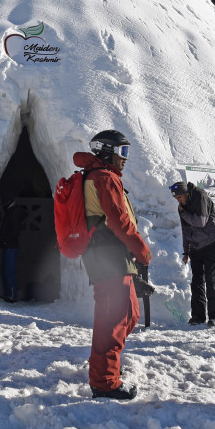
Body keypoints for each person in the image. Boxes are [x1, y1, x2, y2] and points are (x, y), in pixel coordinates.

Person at [73, 129, 152, 401]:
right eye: (122, 152)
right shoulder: (104, 178)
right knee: (114, 319)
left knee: (127, 316)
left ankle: (105, 365)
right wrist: (142, 251)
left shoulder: (100, 176)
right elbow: (120, 222)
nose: (125, 159)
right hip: (109, 258)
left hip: (113, 258)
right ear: (107, 151)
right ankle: (105, 383)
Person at [171, 181, 215, 327]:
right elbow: (185, 229)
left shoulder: (200, 196)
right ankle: (198, 316)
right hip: (196, 247)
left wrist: (183, 212)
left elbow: (201, 221)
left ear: (187, 193)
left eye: (180, 197)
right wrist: (186, 251)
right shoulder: (182, 208)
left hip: (212, 243)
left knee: (212, 280)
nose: (179, 201)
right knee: (196, 282)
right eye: (176, 199)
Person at [0, 194, 23, 302]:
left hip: (10, 246)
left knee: (9, 271)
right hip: (9, 246)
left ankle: (12, 295)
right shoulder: (11, 212)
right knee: (6, 270)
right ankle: (8, 294)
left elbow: (15, 230)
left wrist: (6, 240)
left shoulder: (13, 212)